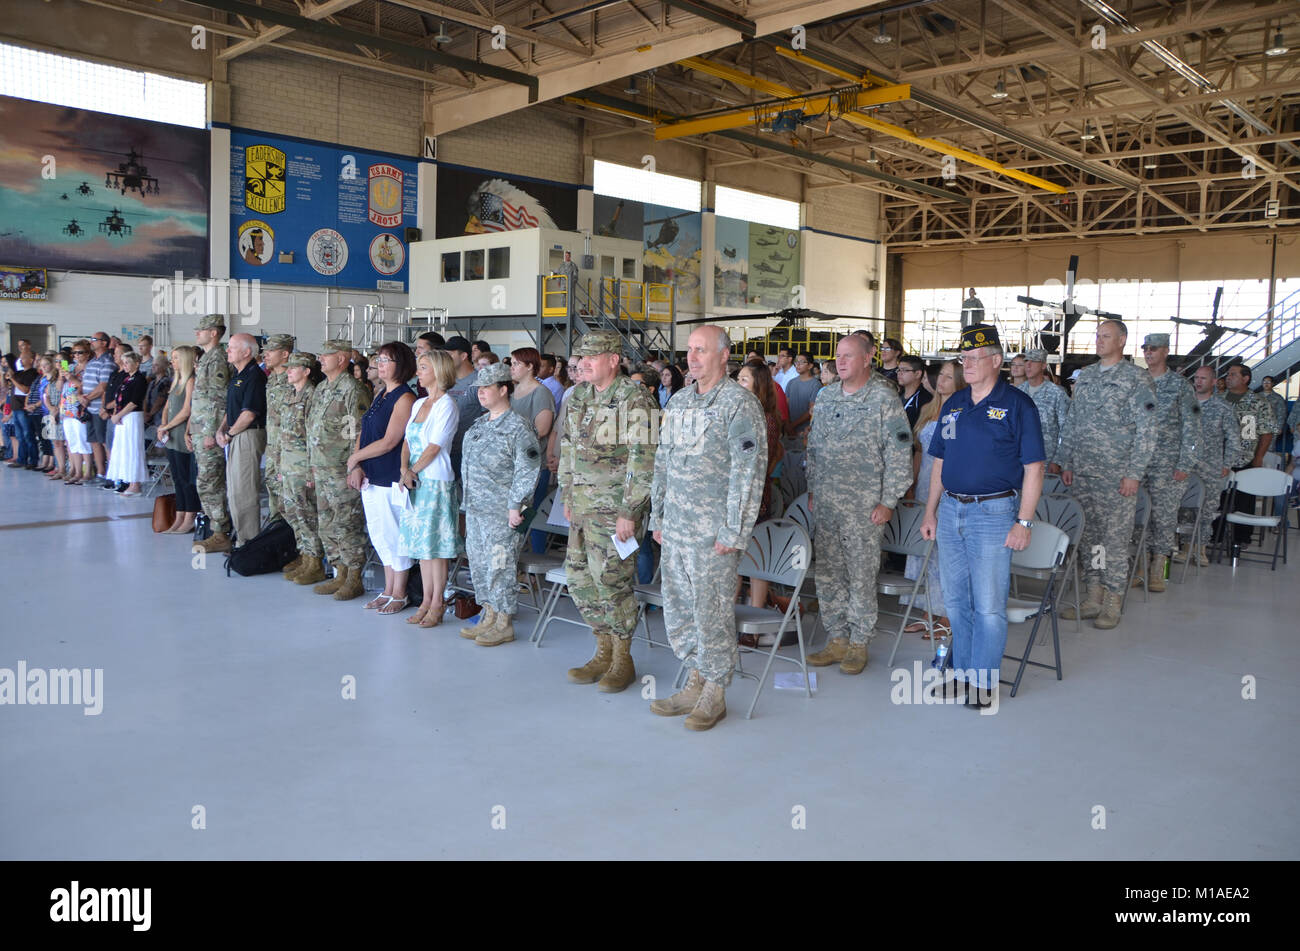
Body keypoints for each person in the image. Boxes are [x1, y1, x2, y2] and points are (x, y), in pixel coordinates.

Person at [647, 326, 766, 731]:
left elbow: (747, 474)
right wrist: (658, 517)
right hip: (676, 528)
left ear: (724, 356)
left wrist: (733, 532)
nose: (692, 357)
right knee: (680, 608)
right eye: (690, 350)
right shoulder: (679, 401)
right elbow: (663, 461)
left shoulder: (739, 404)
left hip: (713, 533)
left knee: (711, 611)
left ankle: (715, 691)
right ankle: (695, 679)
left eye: (701, 350)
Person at [921, 324, 1044, 709]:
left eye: (975, 358)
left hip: (993, 512)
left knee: (988, 605)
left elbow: (1034, 468)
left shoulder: (1018, 405)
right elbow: (940, 459)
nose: (968, 364)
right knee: (956, 602)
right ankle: (961, 674)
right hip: (952, 509)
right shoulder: (955, 403)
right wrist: (930, 510)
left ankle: (983, 684)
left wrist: (1023, 522)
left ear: (996, 361)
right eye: (964, 358)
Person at [804, 333, 913, 675]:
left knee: (861, 575)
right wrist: (812, 489)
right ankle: (836, 637)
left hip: (865, 507)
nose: (840, 361)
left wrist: (889, 500)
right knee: (828, 573)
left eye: (849, 356)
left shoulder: (883, 397)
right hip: (827, 504)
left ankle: (858, 642)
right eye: (838, 356)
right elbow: (814, 449)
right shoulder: (825, 397)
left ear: (868, 359)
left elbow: (899, 453)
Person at [557, 330, 657, 691]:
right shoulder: (580, 395)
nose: (583, 363)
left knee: (612, 584)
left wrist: (630, 510)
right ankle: (602, 651)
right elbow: (568, 448)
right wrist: (567, 495)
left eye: (591, 357)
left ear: (614, 360)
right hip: (582, 508)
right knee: (581, 582)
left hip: (615, 512)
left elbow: (643, 460)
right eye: (580, 357)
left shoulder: (635, 398)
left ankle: (622, 659)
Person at [1058, 320, 1158, 629]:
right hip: (1084, 472)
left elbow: (1147, 430)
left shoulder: (1137, 379)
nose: (1099, 341)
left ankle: (1113, 601)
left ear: (1122, 341)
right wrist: (1067, 461)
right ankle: (1094, 595)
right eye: (1097, 336)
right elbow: (1073, 422)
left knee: (1114, 538)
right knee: (1090, 537)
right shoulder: (1086, 376)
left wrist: (1134, 473)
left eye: (1106, 336)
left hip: (1117, 476)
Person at [459, 363, 541, 647]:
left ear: (503, 389)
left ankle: (504, 621)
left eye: (487, 388)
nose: (481, 393)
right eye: (479, 388)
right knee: (480, 565)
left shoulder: (518, 427)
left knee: (500, 565)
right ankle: (488, 614)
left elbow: (527, 469)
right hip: (476, 509)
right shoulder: (480, 424)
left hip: (502, 511)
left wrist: (517, 505)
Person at [344, 341, 417, 614]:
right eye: (379, 360)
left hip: (390, 475)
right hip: (370, 473)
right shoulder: (379, 393)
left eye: (387, 360)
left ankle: (400, 592)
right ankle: (387, 589)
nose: (380, 365)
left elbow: (390, 441)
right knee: (380, 534)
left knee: (394, 533)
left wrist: (355, 458)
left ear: (402, 365)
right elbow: (364, 433)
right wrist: (357, 464)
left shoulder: (405, 398)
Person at [305, 340, 373, 601]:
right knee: (326, 524)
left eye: (327, 355)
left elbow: (359, 432)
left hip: (341, 469)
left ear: (342, 359)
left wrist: (355, 465)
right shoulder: (322, 388)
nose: (321, 359)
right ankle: (340, 572)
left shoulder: (352, 390)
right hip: (321, 468)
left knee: (347, 524)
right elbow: (314, 430)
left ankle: (354, 577)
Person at [399, 350, 462, 628]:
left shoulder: (446, 404)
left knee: (436, 547)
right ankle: (425, 599)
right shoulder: (419, 403)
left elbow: (434, 447)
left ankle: (437, 601)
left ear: (438, 371)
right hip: (414, 479)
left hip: (434, 481)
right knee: (422, 548)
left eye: (423, 367)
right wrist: (404, 470)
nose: (418, 372)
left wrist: (413, 470)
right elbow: (407, 442)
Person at [1132, 334, 1200, 592]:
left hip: (1166, 463)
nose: (1149, 353)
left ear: (1166, 352)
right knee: (1138, 516)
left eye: (1154, 349)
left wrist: (1186, 463)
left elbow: (1193, 427)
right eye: (1146, 349)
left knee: (1163, 516)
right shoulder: (1138, 382)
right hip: (1138, 462)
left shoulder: (1180, 386)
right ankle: (1140, 566)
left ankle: (1158, 568)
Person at [903, 359, 965, 639]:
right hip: (925, 482)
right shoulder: (929, 409)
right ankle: (927, 611)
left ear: (960, 382)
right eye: (941, 376)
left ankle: (947, 615)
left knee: (942, 553)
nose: (941, 381)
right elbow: (918, 450)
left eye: (949, 377)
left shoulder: (959, 412)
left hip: (947, 485)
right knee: (922, 551)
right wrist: (912, 483)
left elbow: (952, 454)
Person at [1176, 365, 1241, 567]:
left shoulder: (1223, 408)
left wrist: (1226, 464)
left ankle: (1201, 549)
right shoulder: (1183, 406)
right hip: (1185, 466)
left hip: (1211, 467)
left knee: (1206, 510)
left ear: (1213, 382)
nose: (1198, 381)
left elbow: (1233, 439)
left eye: (1203, 378)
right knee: (1184, 509)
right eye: (1196, 378)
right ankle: (1185, 548)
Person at [215, 334, 268, 546]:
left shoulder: (254, 376)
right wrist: (222, 429)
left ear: (247, 352)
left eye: (231, 347)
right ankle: (240, 536)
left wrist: (228, 434)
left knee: (244, 490)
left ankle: (248, 541)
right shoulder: (239, 374)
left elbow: (249, 413)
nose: (228, 351)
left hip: (247, 434)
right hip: (235, 434)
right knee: (234, 490)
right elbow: (233, 409)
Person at [1221, 361, 1277, 552]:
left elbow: (1267, 432)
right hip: (1219, 459)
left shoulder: (1258, 403)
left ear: (1245, 379)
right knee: (1218, 498)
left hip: (1244, 458)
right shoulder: (1219, 399)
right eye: (1228, 374)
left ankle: (1241, 538)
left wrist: (1258, 457)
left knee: (1244, 500)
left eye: (1233, 375)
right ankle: (1215, 536)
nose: (1228, 378)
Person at [280, 353, 325, 585]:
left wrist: (311, 470)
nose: (288, 371)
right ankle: (304, 555)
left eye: (293, 367)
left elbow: (314, 436)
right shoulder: (291, 394)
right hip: (288, 465)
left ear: (306, 371)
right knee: (291, 512)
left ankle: (315, 562)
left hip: (302, 466)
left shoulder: (311, 395)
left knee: (306, 514)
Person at [189, 316, 233, 552]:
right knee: (204, 481)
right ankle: (215, 527)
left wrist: (209, 432)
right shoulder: (207, 358)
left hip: (209, 432)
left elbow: (219, 399)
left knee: (210, 482)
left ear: (214, 332)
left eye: (202, 330)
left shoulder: (217, 359)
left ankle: (220, 532)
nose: (198, 333)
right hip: (199, 429)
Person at [509, 347, 556, 554]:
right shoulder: (512, 391)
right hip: (512, 462)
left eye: (516, 364)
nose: (512, 368)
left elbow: (542, 429)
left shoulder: (541, 392)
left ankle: (536, 554)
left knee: (531, 514)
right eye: (511, 363)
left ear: (529, 367)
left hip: (533, 464)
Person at [156, 346, 198, 533]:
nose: (172, 361)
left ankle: (190, 515)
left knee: (187, 478)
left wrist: (167, 426)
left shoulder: (190, 381)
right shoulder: (176, 381)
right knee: (177, 478)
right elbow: (167, 406)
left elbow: (187, 410)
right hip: (171, 435)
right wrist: (163, 425)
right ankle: (179, 514)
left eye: (175, 358)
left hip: (181, 434)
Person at [1018, 348, 1070, 473]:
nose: (1028, 365)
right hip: (1020, 458)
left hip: (1046, 460)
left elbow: (1066, 429)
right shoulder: (1018, 392)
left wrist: (1058, 460)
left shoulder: (1057, 393)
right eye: (1026, 361)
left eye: (1034, 361)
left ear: (1043, 365)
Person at [260, 334, 295, 521]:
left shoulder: (292, 381)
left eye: (271, 351)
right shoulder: (272, 379)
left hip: (287, 449)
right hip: (272, 446)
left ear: (285, 354)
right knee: (273, 492)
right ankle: (274, 536)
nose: (266, 355)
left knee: (286, 498)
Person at [105, 351, 149, 496]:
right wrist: (115, 414)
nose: (125, 365)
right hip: (122, 416)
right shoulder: (126, 378)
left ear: (136, 363)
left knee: (132, 448)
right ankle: (127, 481)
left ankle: (135, 484)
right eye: (123, 362)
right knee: (123, 449)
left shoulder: (140, 379)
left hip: (132, 416)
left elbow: (134, 402)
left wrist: (118, 415)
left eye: (128, 362)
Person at [441, 336, 484, 482]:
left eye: (449, 355)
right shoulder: (444, 381)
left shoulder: (479, 382)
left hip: (468, 453)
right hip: (444, 449)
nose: (445, 359)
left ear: (464, 356)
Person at [783, 352, 822, 450]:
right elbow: (785, 406)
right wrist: (788, 425)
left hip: (804, 432)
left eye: (802, 362)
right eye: (796, 362)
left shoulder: (815, 385)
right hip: (789, 431)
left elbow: (811, 411)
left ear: (810, 365)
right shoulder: (791, 383)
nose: (798, 365)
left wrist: (792, 425)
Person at [896, 354, 933, 429]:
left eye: (904, 370)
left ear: (917, 374)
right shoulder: (896, 395)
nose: (899, 373)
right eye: (899, 370)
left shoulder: (925, 399)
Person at [1260, 376, 1287, 453]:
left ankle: (1267, 465)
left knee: (1269, 449)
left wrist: (1279, 427)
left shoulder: (1278, 398)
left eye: (1268, 382)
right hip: (1257, 427)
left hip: (1271, 428)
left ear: (1272, 384)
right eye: (1264, 382)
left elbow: (1281, 414)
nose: (1266, 384)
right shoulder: (1256, 396)